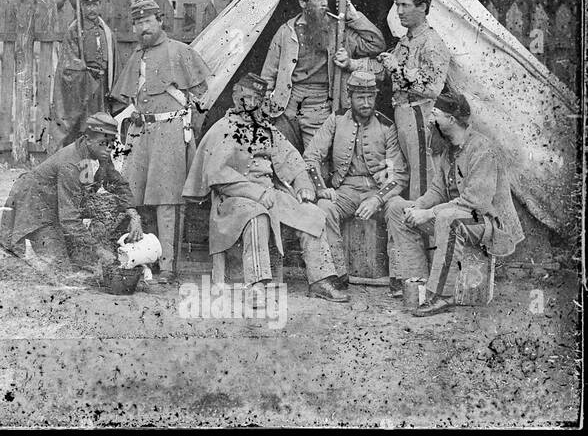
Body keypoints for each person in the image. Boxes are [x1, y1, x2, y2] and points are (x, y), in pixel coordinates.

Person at [183, 73, 349, 302]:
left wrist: (302, 184)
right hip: (233, 199)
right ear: (235, 96)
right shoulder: (222, 128)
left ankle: (320, 280)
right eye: (245, 97)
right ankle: (256, 285)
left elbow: (292, 159)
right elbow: (217, 174)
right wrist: (256, 193)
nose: (249, 103)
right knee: (256, 215)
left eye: (255, 99)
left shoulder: (266, 129)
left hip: (270, 194)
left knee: (311, 213)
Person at [383, 89, 524, 316]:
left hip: (489, 223)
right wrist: (418, 206)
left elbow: (474, 202)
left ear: (450, 119)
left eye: (435, 113)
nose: (430, 118)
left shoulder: (482, 149)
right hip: (458, 216)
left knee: (448, 219)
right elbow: (438, 189)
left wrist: (430, 214)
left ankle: (442, 295)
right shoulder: (448, 148)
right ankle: (419, 282)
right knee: (397, 208)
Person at [0, 112, 140, 290]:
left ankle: (78, 257)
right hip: (34, 206)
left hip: (57, 205)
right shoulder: (70, 164)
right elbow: (69, 220)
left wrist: (134, 216)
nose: (108, 148)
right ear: (87, 139)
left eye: (111, 143)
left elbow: (118, 184)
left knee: (107, 206)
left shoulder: (99, 153)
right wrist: (99, 249)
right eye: (103, 143)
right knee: (59, 275)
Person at [109, 0, 210, 274]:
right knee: (134, 197)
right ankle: (141, 260)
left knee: (168, 201)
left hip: (171, 133)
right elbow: (124, 99)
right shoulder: (135, 57)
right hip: (141, 133)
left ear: (160, 21)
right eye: (138, 23)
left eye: (148, 21)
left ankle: (168, 268)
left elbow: (202, 98)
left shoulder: (180, 51)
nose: (143, 27)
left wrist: (187, 131)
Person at [302, 70, 408, 289]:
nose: (366, 103)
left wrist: (377, 200)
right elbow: (311, 156)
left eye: (370, 97)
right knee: (324, 208)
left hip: (378, 190)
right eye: (360, 97)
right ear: (349, 97)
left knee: (397, 206)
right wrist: (322, 189)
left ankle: (400, 276)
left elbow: (398, 175)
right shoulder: (337, 119)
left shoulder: (387, 126)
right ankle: (336, 274)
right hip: (346, 190)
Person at [260, 0, 385, 153]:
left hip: (319, 107)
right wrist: (266, 105)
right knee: (283, 160)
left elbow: (376, 44)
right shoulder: (286, 32)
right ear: (303, 2)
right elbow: (269, 73)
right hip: (286, 106)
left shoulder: (337, 30)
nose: (325, 3)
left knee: (316, 160)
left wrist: (354, 18)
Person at [374, 0, 453, 207]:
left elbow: (432, 88)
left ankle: (426, 235)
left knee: (424, 178)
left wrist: (397, 69)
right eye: (397, 5)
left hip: (420, 115)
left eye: (405, 5)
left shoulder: (432, 42)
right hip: (403, 115)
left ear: (423, 7)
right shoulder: (406, 41)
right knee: (408, 174)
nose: (399, 11)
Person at [61, 0, 117, 126]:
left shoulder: (106, 30)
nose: (91, 9)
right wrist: (80, 67)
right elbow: (68, 60)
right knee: (86, 124)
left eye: (94, 5)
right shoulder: (75, 30)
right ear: (82, 6)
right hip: (85, 84)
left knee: (103, 122)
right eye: (87, 5)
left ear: (99, 5)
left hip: (104, 84)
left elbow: (114, 60)